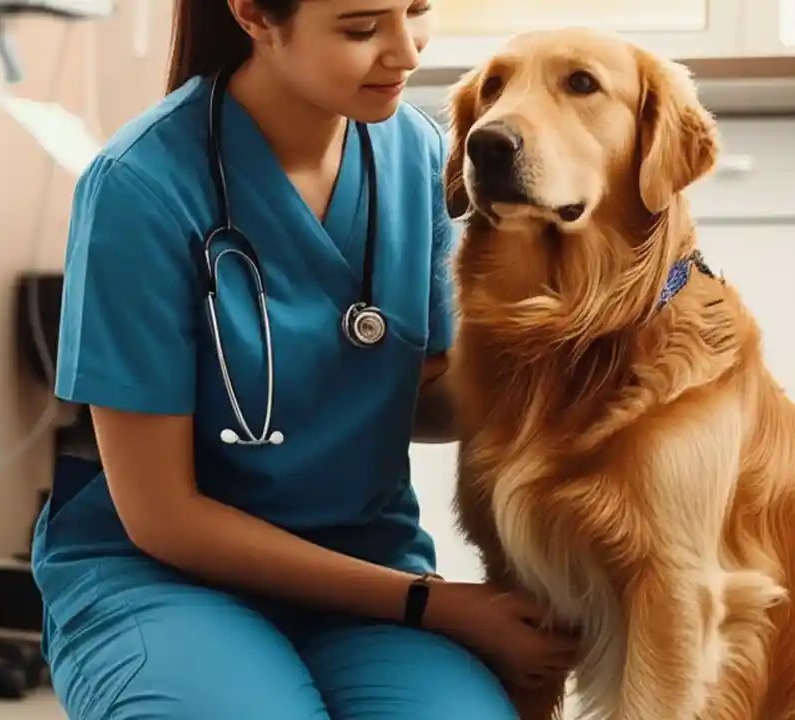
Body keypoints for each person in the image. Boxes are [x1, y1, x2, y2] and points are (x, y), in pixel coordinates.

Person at [30, 1, 576, 717]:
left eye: (416, 9)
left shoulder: (418, 157)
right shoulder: (141, 186)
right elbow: (162, 515)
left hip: (362, 564)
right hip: (165, 577)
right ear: (256, 15)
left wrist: (563, 370)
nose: (406, 52)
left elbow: (428, 394)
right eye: (360, 28)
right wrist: (435, 605)